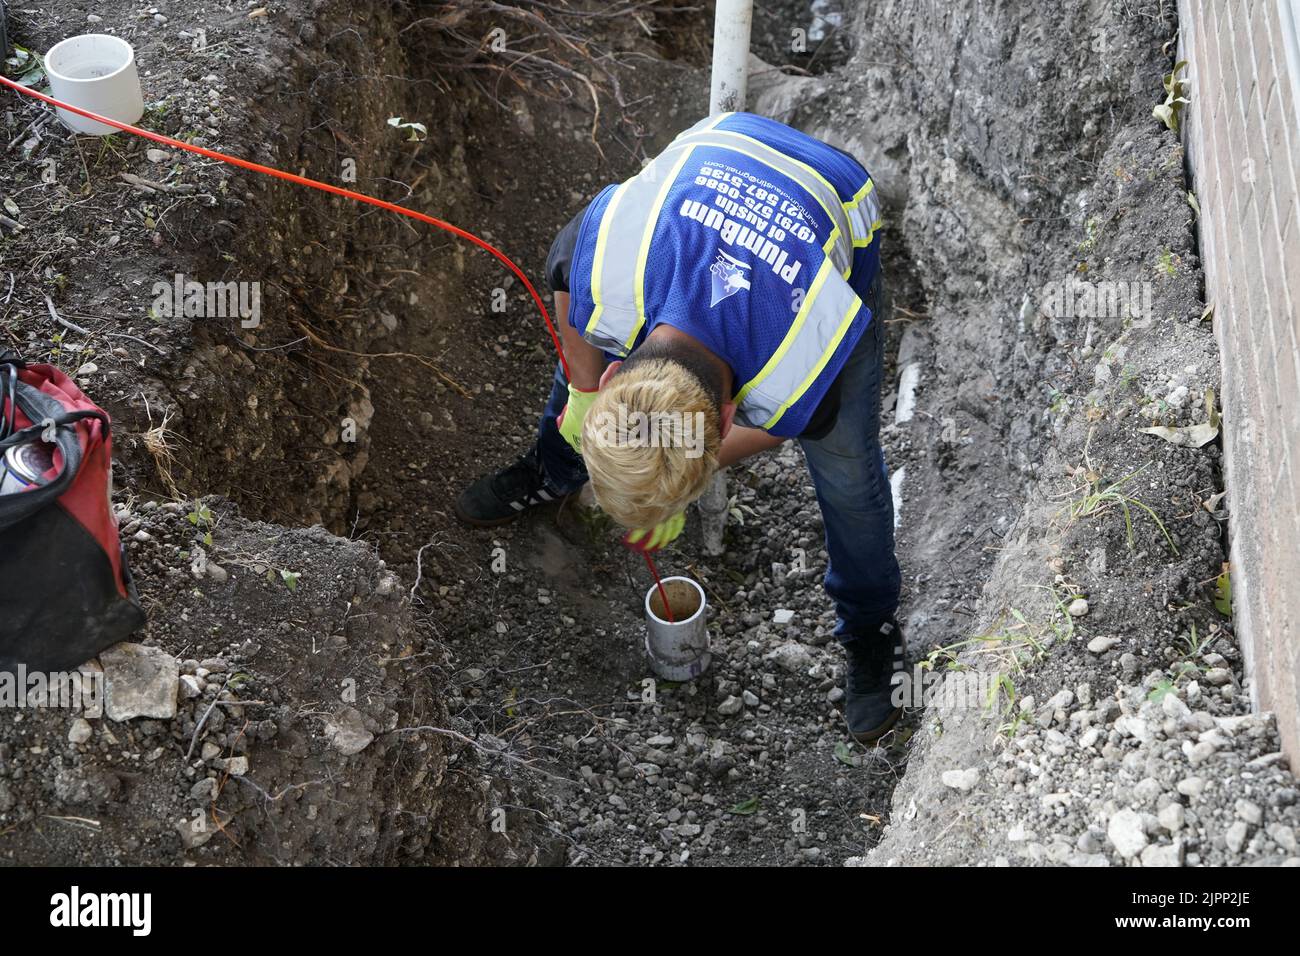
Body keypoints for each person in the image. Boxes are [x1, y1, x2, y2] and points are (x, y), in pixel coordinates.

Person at [455, 112, 904, 743]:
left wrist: (685, 471)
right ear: (615, 379)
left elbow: (780, 429)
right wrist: (582, 397)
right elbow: (564, 273)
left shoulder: (803, 357)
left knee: (850, 476)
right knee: (583, 378)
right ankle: (553, 468)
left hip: (836, 201)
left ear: (725, 423)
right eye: (603, 384)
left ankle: (872, 635)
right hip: (724, 142)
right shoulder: (609, 266)